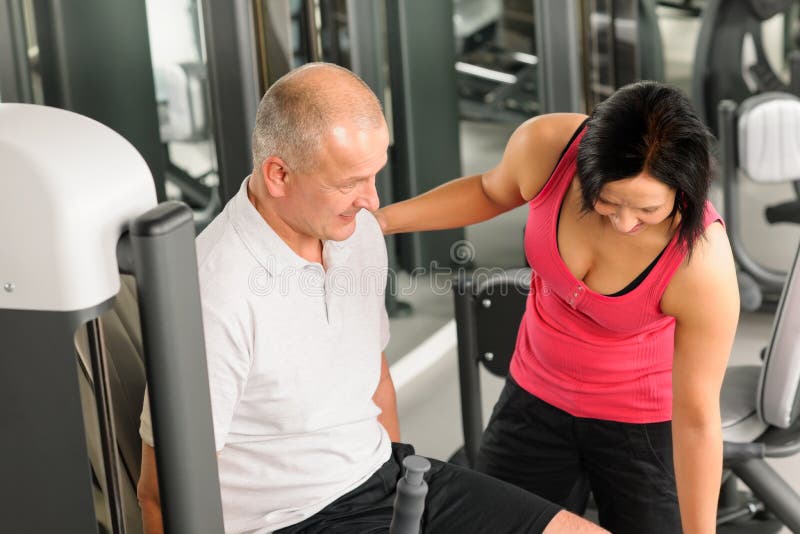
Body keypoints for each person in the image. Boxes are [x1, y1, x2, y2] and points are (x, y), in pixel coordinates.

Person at [136, 63, 604, 534]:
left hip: (387, 480)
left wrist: (403, 510)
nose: (372, 201)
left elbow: (375, 378)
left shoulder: (355, 233)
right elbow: (160, 496)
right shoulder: (213, 291)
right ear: (278, 174)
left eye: (374, 175)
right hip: (288, 520)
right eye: (349, 183)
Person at [375, 81, 740, 534]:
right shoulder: (548, 149)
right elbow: (490, 193)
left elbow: (697, 417)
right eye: (607, 200)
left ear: (683, 192)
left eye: (646, 209)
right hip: (534, 396)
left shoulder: (700, 262)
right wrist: (384, 221)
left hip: (642, 424)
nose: (624, 221)